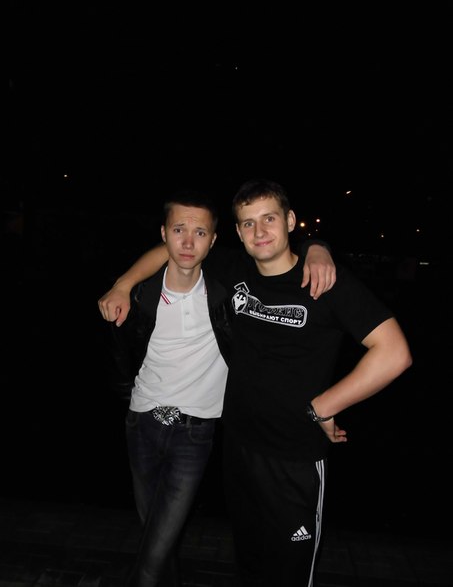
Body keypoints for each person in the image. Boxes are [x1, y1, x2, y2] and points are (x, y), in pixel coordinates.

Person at [99, 179, 411, 587]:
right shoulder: (235, 270)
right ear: (237, 231)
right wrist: (123, 284)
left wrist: (324, 406)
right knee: (248, 565)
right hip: (239, 451)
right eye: (248, 223)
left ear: (290, 221)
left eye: (269, 219)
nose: (259, 231)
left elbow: (394, 352)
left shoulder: (326, 281)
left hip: (294, 459)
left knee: (291, 573)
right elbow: (176, 248)